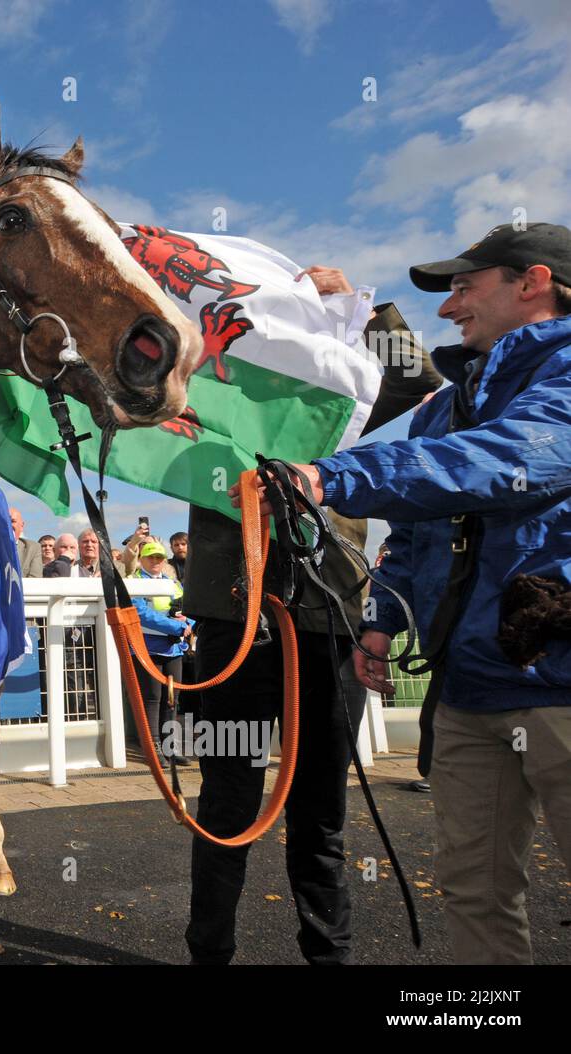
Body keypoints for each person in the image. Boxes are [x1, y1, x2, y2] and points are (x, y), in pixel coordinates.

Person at [238, 223, 571, 965]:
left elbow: (511, 458)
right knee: (475, 892)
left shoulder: (557, 379)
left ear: (533, 281)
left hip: (561, 682)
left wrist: (333, 476)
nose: (449, 307)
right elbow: (416, 533)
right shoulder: (446, 405)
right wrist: (383, 622)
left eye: (463, 284)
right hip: (468, 689)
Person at [186, 261, 442, 966]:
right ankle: (208, 954)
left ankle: (328, 958)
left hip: (328, 623)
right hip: (231, 624)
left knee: (320, 814)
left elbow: (419, 379)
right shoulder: (204, 391)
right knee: (227, 806)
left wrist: (367, 314)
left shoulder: (342, 398)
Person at [127, 541, 193, 763]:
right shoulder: (135, 582)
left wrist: (189, 623)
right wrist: (178, 627)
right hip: (147, 646)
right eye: (151, 557)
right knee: (153, 697)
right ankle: (152, 746)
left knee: (172, 698)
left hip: (173, 648)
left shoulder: (172, 583)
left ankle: (170, 746)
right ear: (142, 559)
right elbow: (142, 614)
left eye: (159, 557)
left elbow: (189, 608)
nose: (155, 561)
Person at [8, 506, 43, 577]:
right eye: (5, 521)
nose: (8, 525)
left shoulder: (33, 548)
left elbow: (35, 579)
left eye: (12, 521)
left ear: (21, 526)